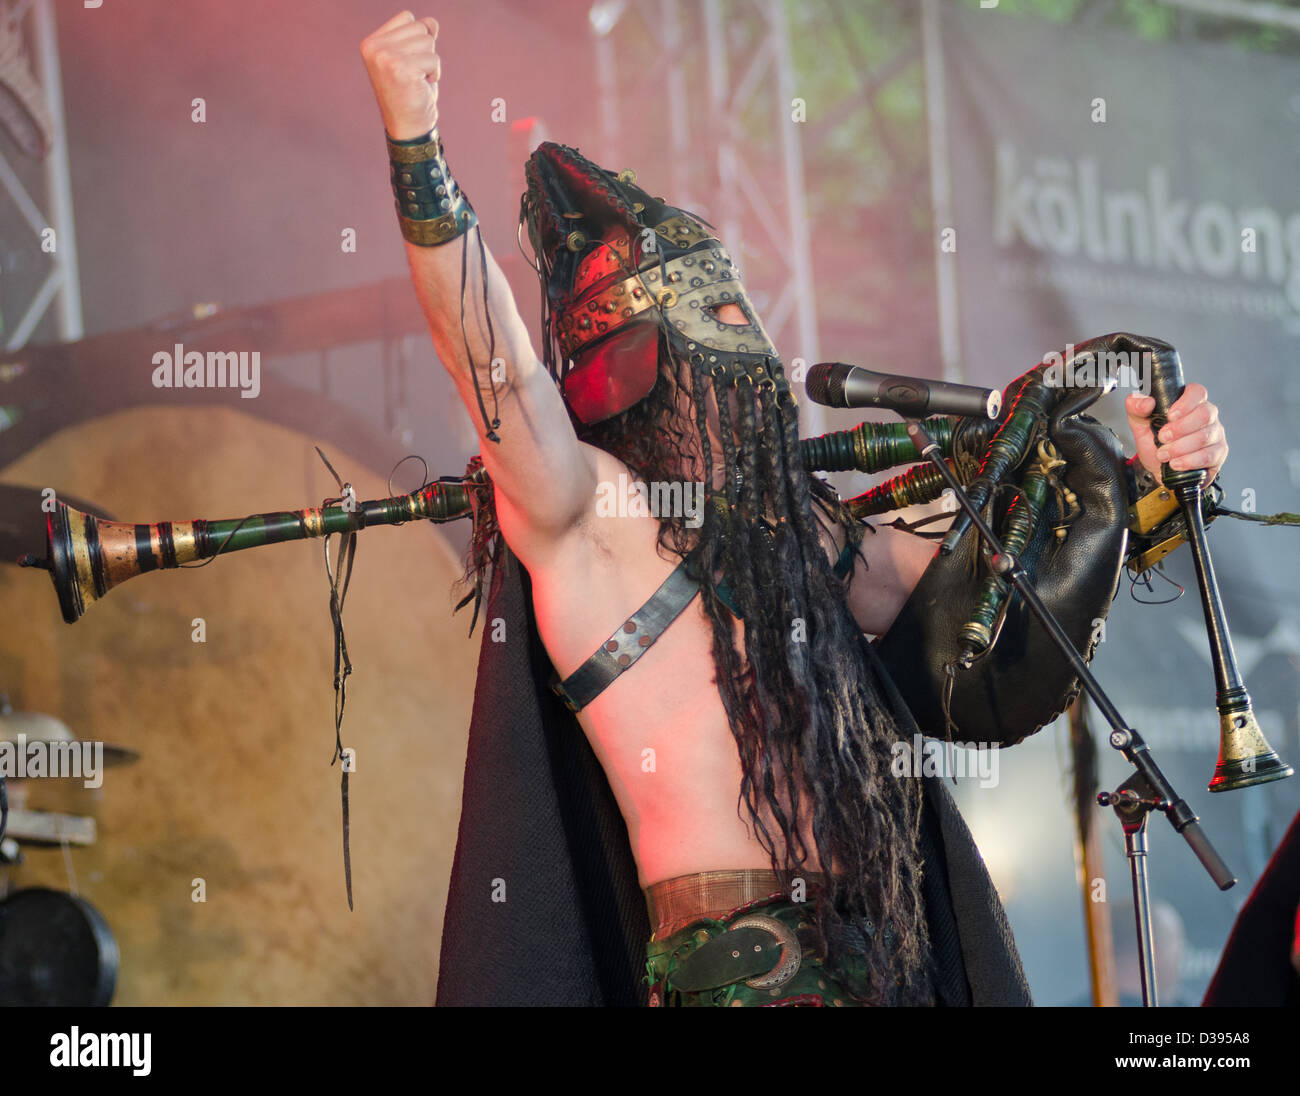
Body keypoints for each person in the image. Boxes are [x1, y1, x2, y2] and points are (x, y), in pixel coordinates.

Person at [359, 11, 1230, 1007]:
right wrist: (415, 146)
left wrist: (1151, 485)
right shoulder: (588, 515)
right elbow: (495, 368)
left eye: (748, 331)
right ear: (643, 365)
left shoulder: (802, 534)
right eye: (717, 335)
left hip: (882, 963)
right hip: (738, 974)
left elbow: (981, 594)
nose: (753, 361)